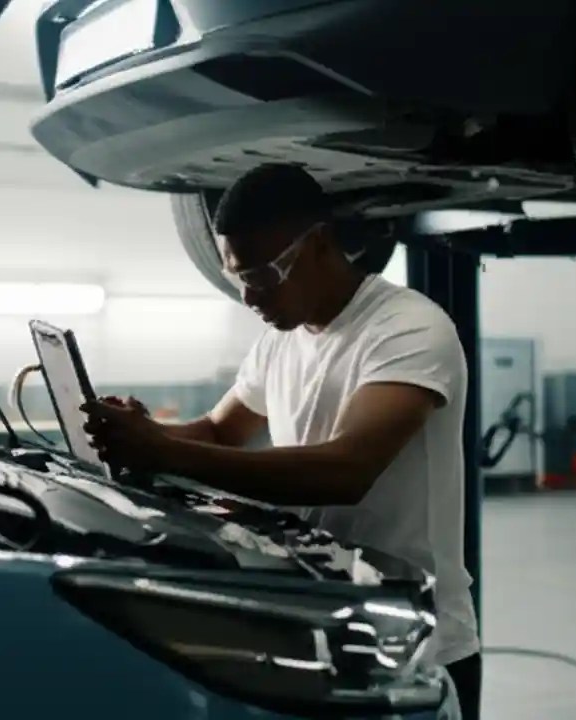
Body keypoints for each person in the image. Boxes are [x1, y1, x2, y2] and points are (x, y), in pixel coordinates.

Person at [80, 163, 482, 719]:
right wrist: (140, 434)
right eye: (237, 277)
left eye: (263, 275)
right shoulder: (280, 339)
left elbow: (347, 471)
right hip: (325, 625)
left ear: (319, 245)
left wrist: (164, 451)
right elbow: (220, 432)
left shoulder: (407, 328)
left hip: (416, 646)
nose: (249, 297)